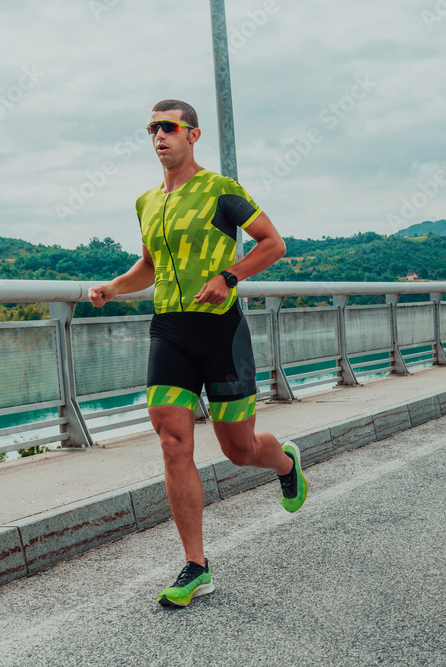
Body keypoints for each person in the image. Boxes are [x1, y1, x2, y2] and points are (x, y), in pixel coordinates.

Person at [88, 99, 307, 608]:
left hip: (220, 331)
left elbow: (273, 244)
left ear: (193, 135)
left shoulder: (220, 190)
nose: (159, 136)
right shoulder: (146, 202)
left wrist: (229, 276)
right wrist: (115, 287)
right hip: (169, 330)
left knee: (239, 449)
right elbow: (148, 264)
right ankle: (196, 566)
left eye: (169, 128)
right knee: (172, 441)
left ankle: (283, 462)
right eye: (152, 129)